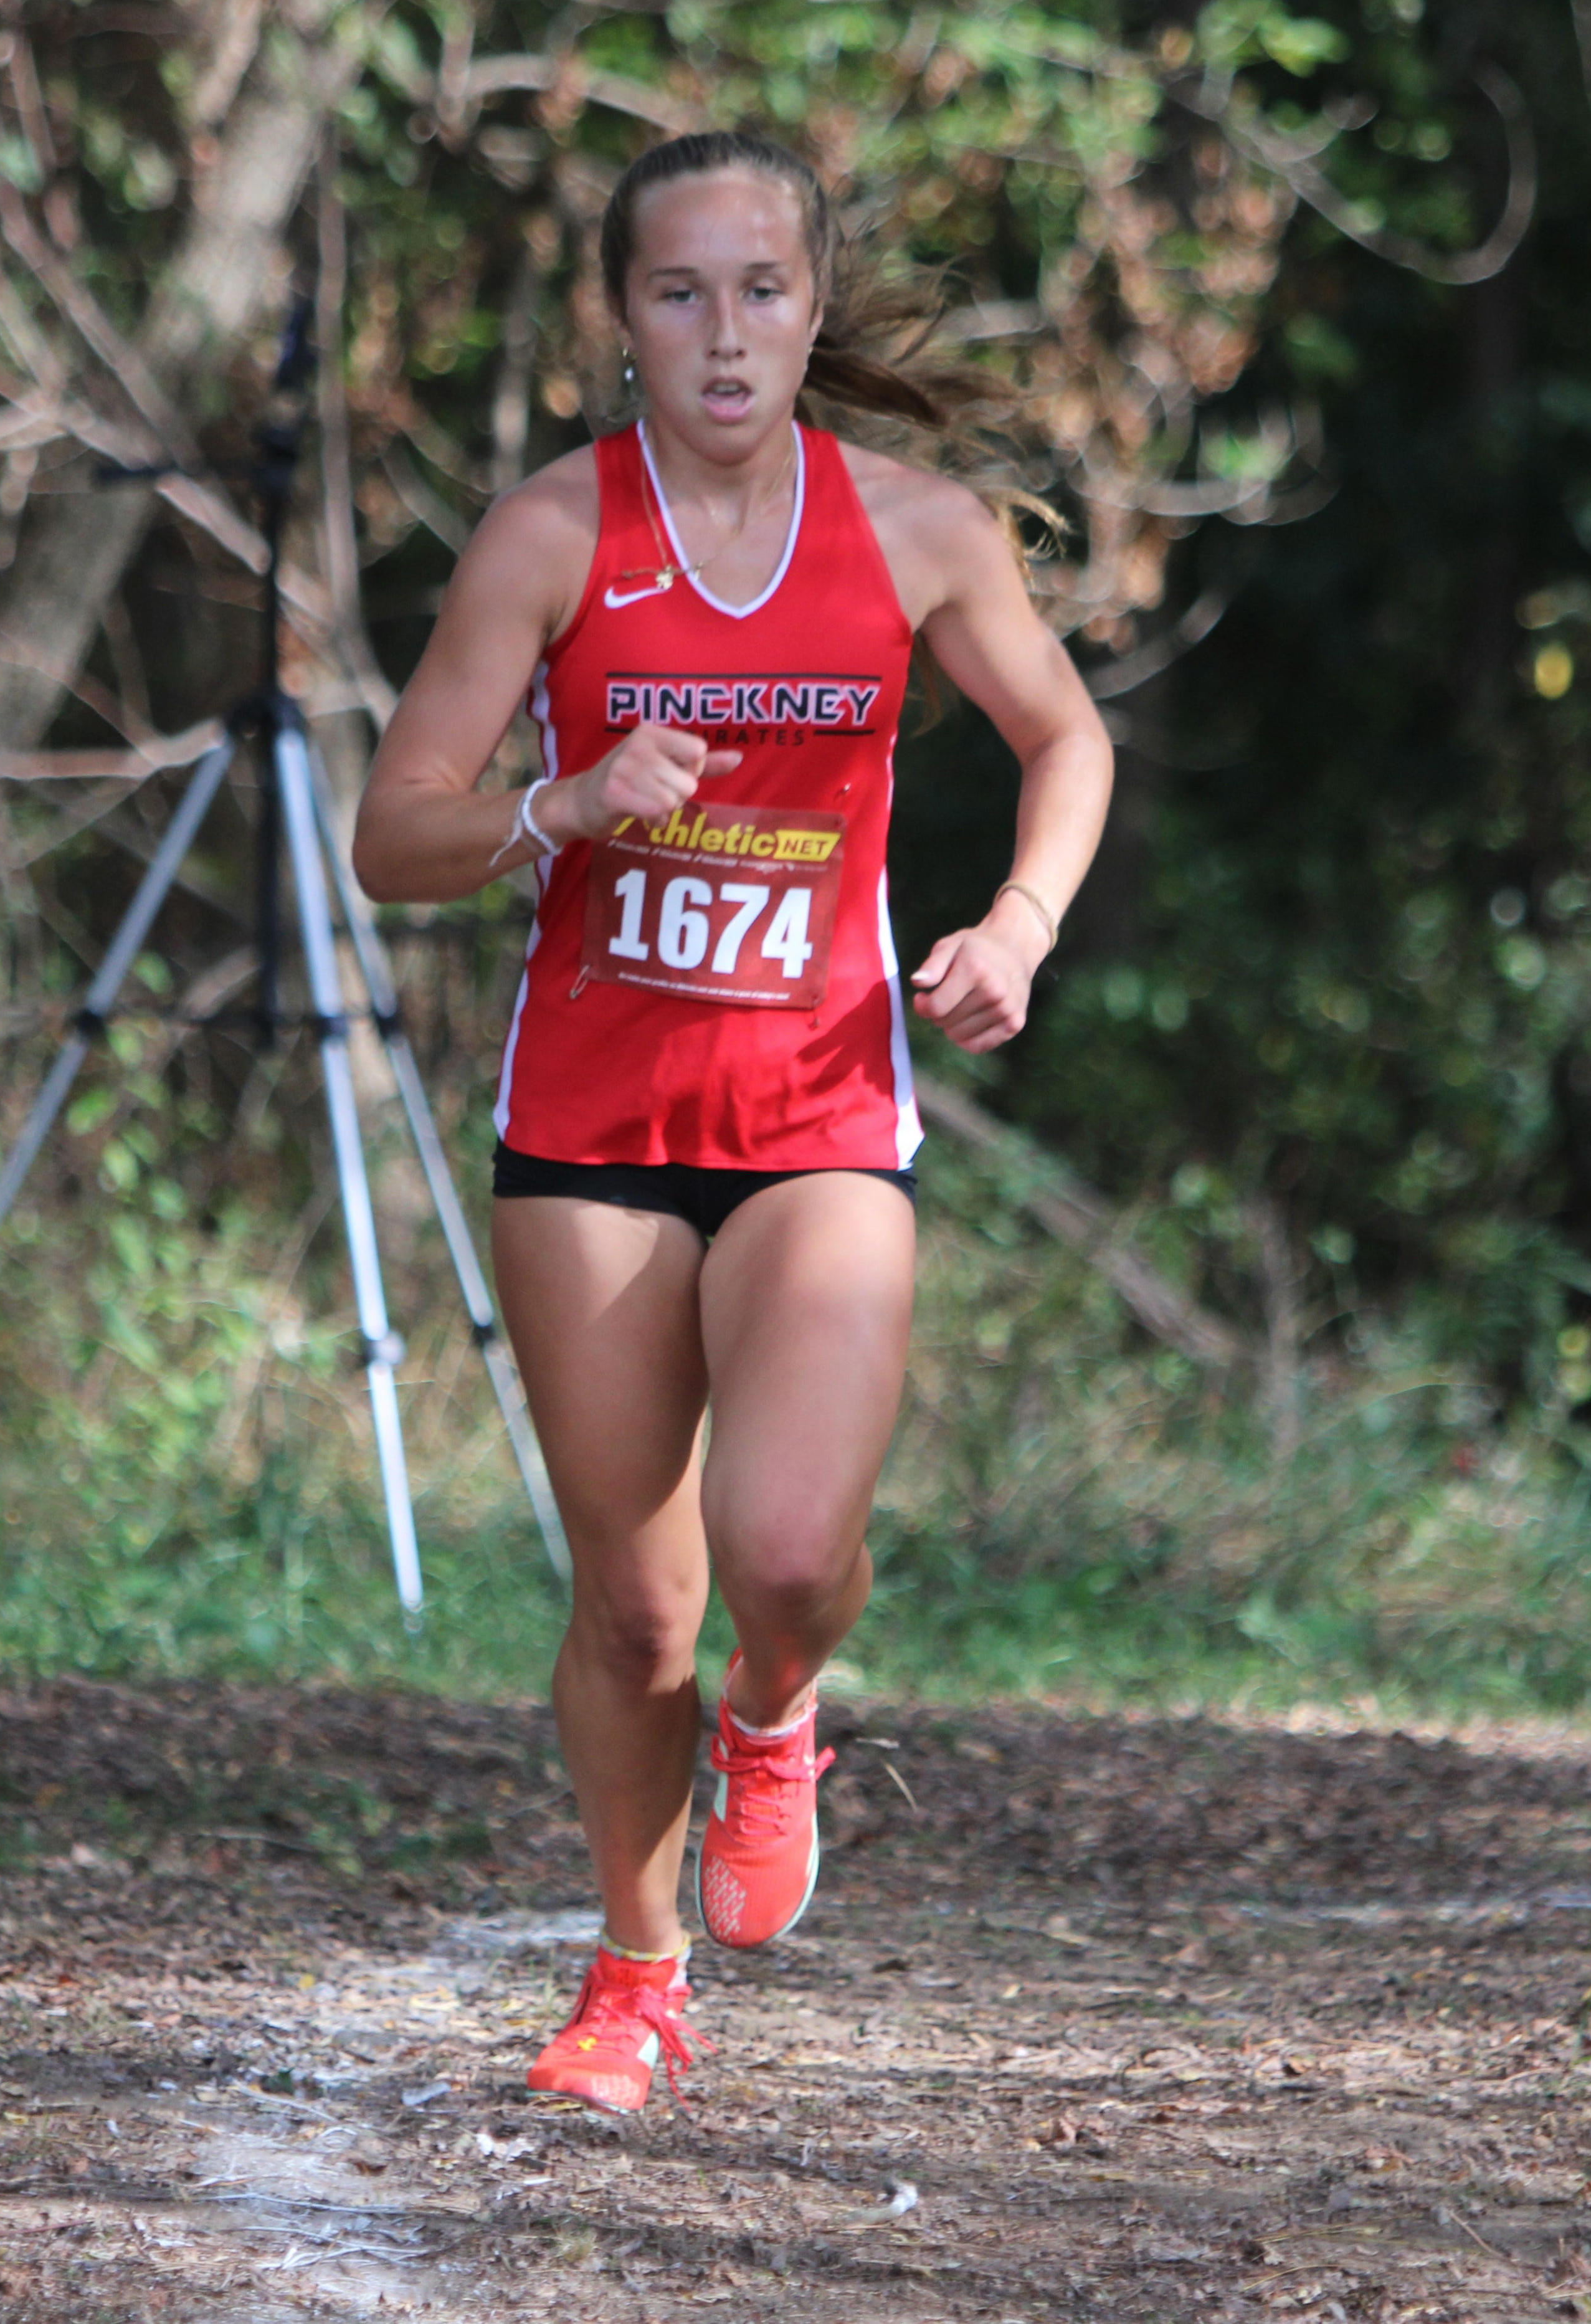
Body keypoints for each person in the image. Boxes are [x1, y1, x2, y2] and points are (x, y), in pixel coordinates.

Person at [354, 130, 1113, 2113]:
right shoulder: (546, 537)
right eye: (676, 291)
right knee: (632, 1599)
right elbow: (392, 833)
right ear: (620, 317)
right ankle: (632, 1974)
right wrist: (562, 802)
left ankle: (778, 1718)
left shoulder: (918, 528)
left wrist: (1016, 924)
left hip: (819, 1104)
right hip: (590, 1129)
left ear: (811, 301)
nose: (720, 330)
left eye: (758, 289)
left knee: (780, 1558)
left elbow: (1064, 734)